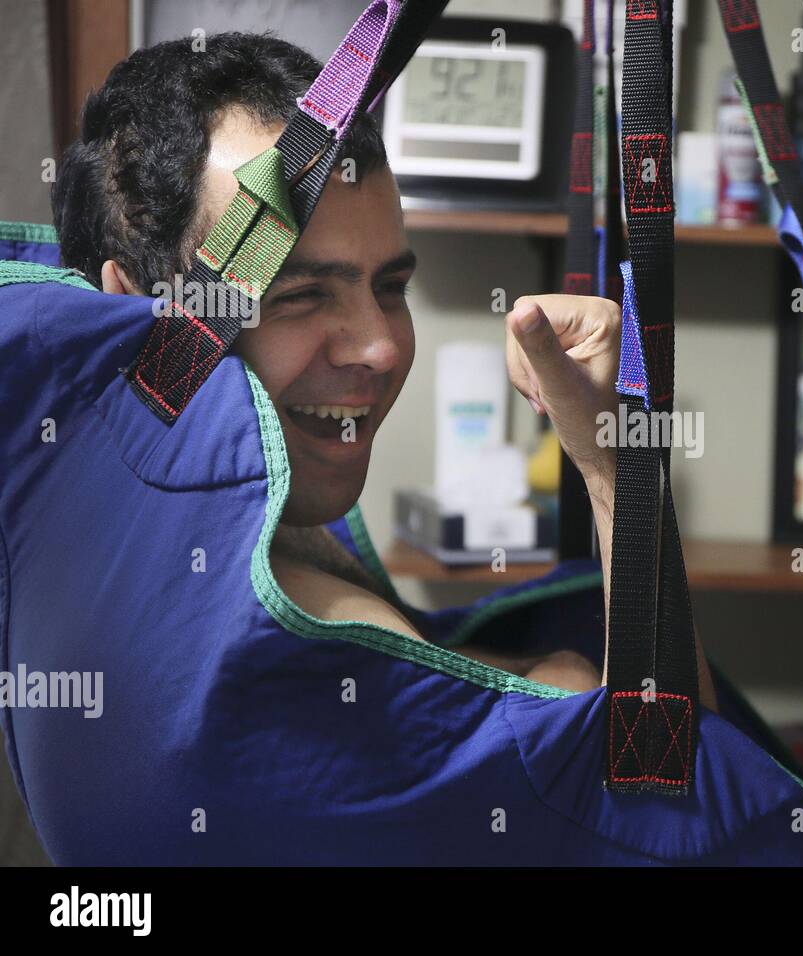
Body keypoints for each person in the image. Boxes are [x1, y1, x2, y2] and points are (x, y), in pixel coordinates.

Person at [51, 32, 718, 708]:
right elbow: (687, 800)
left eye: (391, 288)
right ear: (133, 313)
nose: (383, 348)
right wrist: (613, 470)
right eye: (298, 294)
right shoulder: (316, 635)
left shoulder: (139, 539)